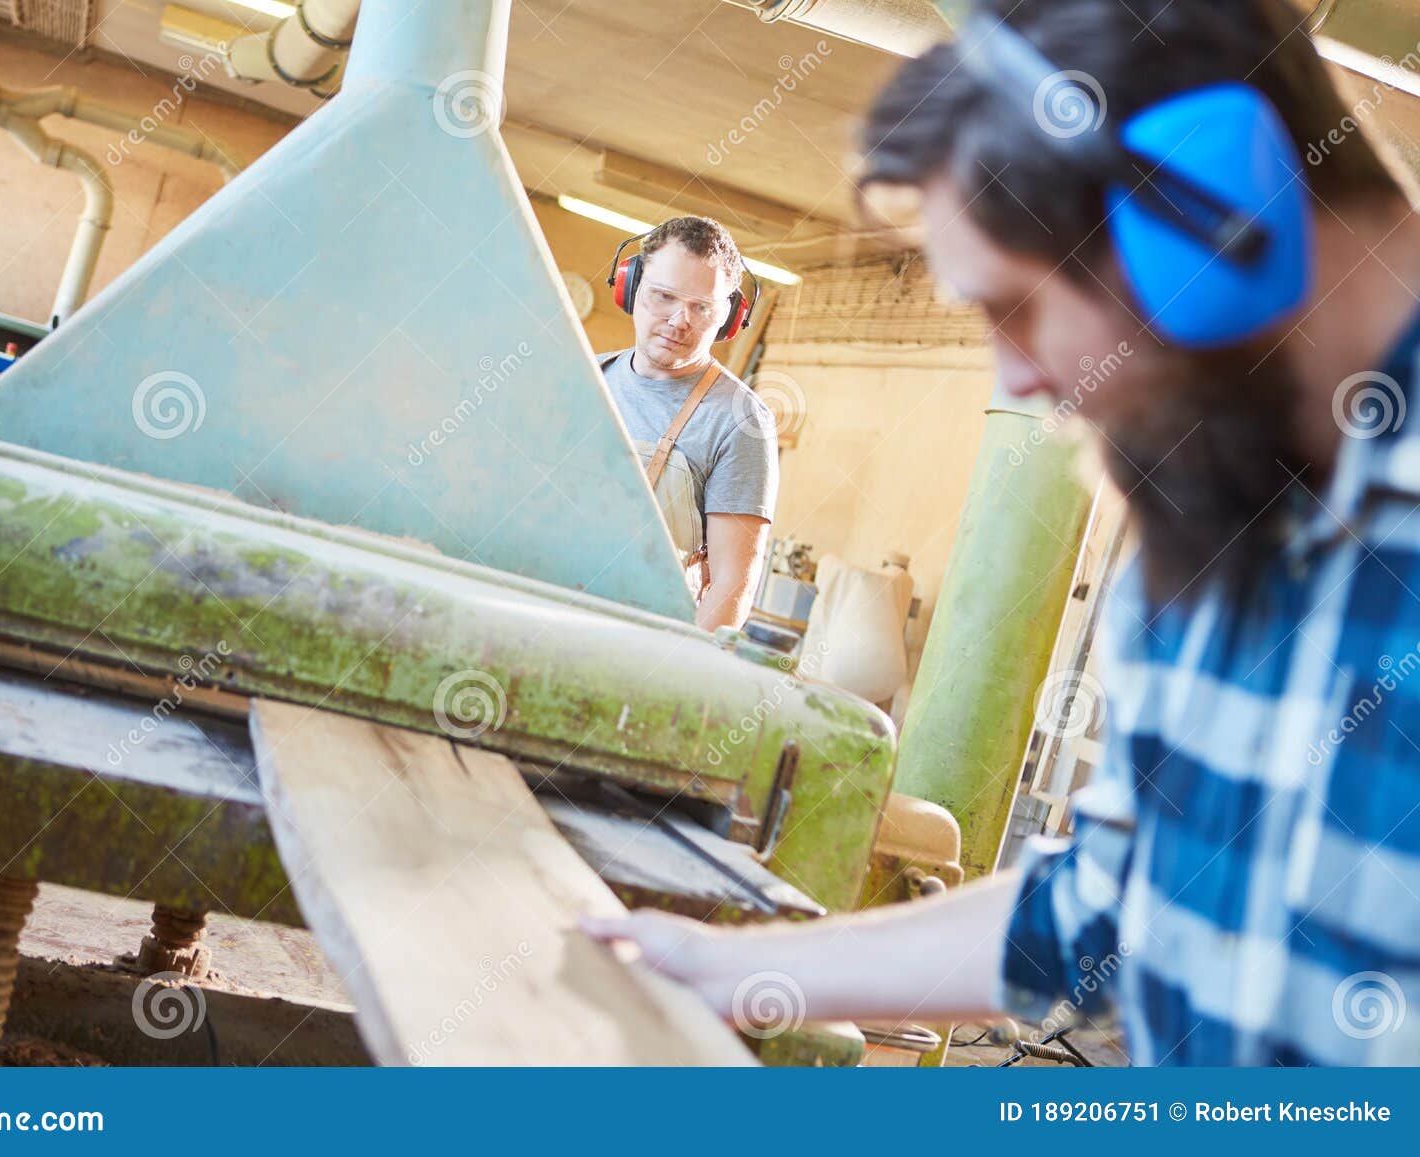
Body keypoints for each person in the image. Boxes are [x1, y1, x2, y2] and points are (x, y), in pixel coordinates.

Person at [587, 0, 1420, 1066]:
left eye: (1017, 307)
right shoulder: (1210, 534)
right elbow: (1102, 902)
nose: (1018, 377)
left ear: (1207, 219)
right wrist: (734, 969)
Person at [599, 216, 779, 632]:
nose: (680, 320)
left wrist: (678, 679)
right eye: (663, 296)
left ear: (729, 319)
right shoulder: (583, 377)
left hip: (642, 649)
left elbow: (732, 584)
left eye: (702, 308)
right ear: (630, 289)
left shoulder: (739, 421)